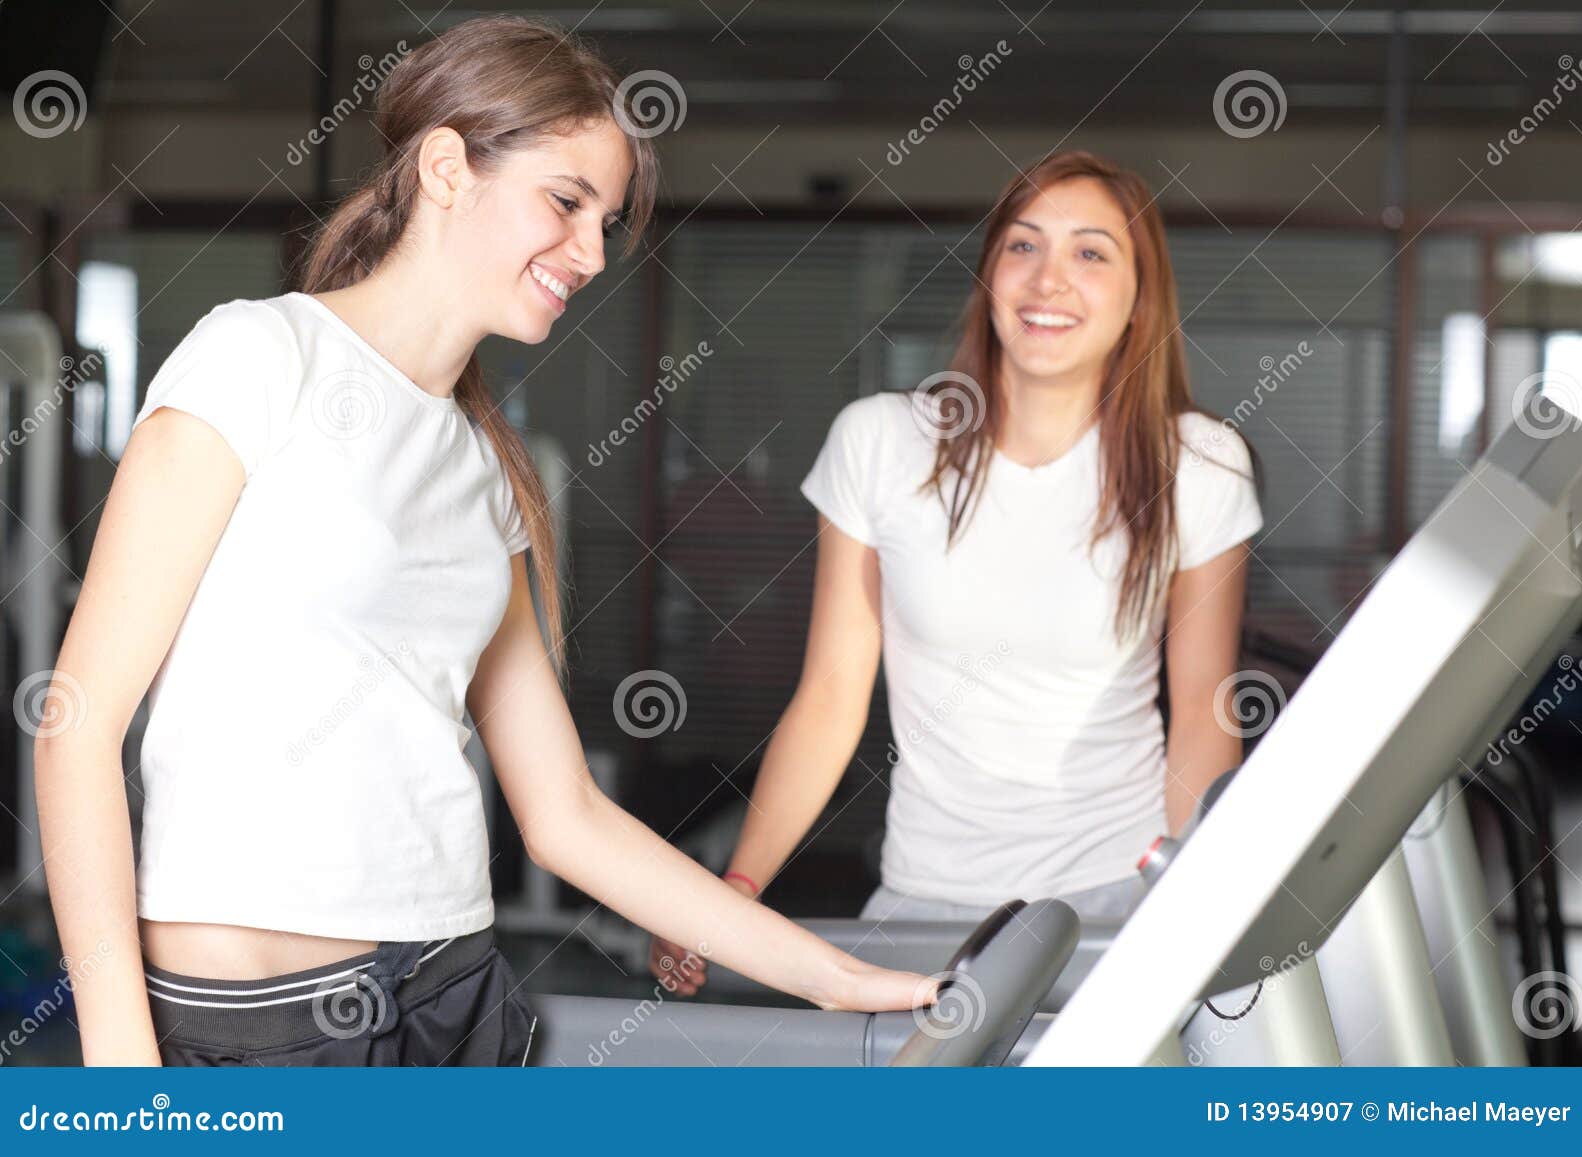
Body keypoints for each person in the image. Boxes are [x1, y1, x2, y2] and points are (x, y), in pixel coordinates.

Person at [34, 15, 937, 1068]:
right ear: (447, 166)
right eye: (565, 201)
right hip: (259, 1018)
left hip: (454, 992)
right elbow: (76, 727)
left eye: (606, 220)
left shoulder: (487, 468)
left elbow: (564, 816)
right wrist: (119, 1063)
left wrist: (828, 975)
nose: (592, 252)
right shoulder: (257, 358)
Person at [654, 150, 1263, 995]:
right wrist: (737, 889)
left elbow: (1203, 711)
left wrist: (1204, 904)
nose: (1050, 279)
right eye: (1023, 247)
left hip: (1120, 897)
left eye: (1091, 252)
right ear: (988, 277)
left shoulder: (1199, 463)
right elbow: (832, 695)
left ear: (1138, 297)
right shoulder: (880, 442)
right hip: (924, 904)